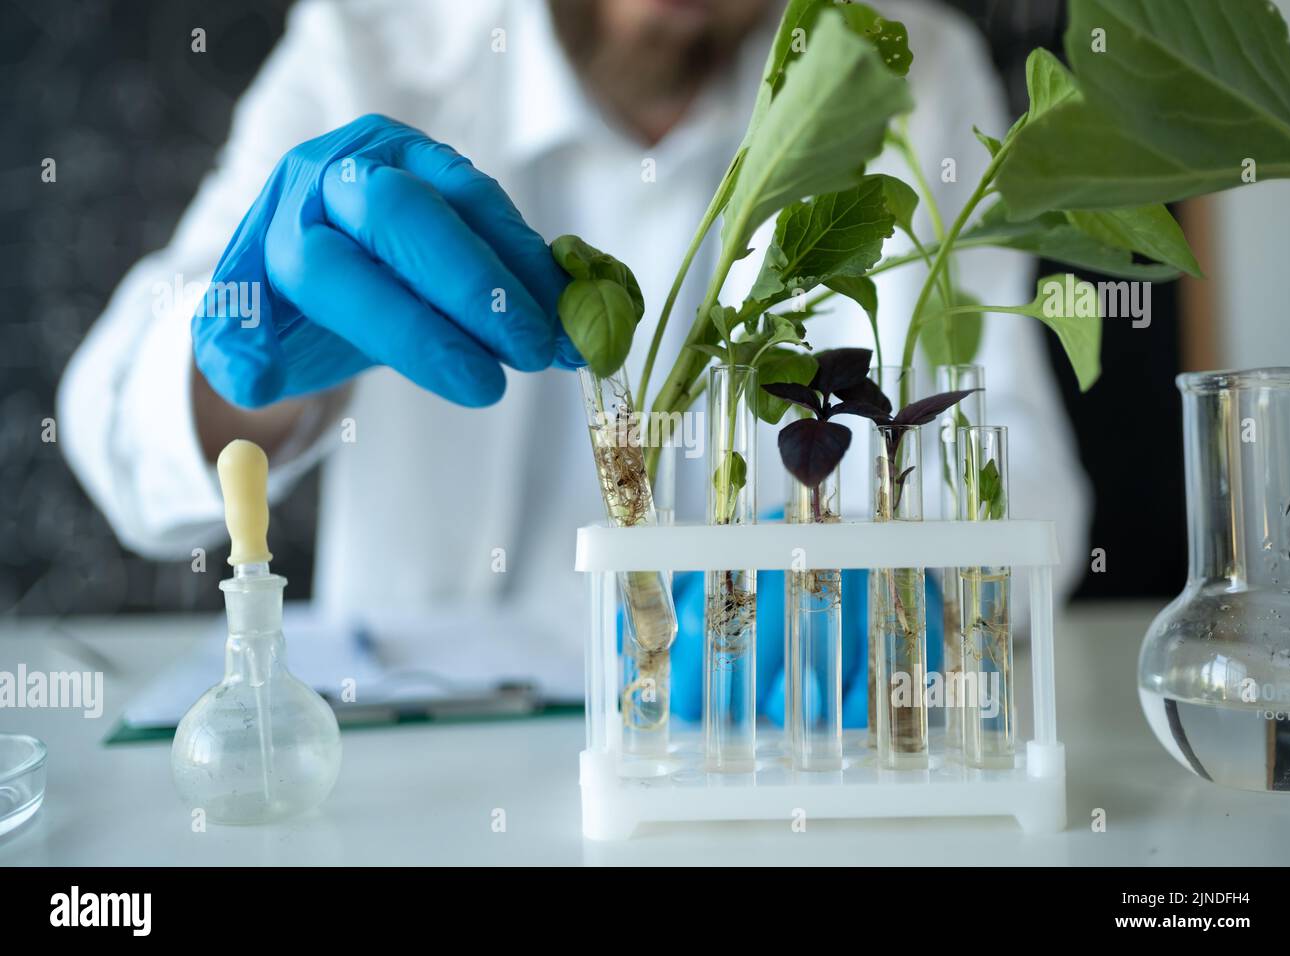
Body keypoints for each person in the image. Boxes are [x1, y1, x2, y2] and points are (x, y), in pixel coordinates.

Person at [59, 0, 1090, 719]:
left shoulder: (894, 63)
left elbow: (1015, 468)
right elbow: (112, 434)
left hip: (767, 747)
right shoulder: (368, 48)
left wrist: (887, 578)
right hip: (421, 765)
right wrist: (243, 347)